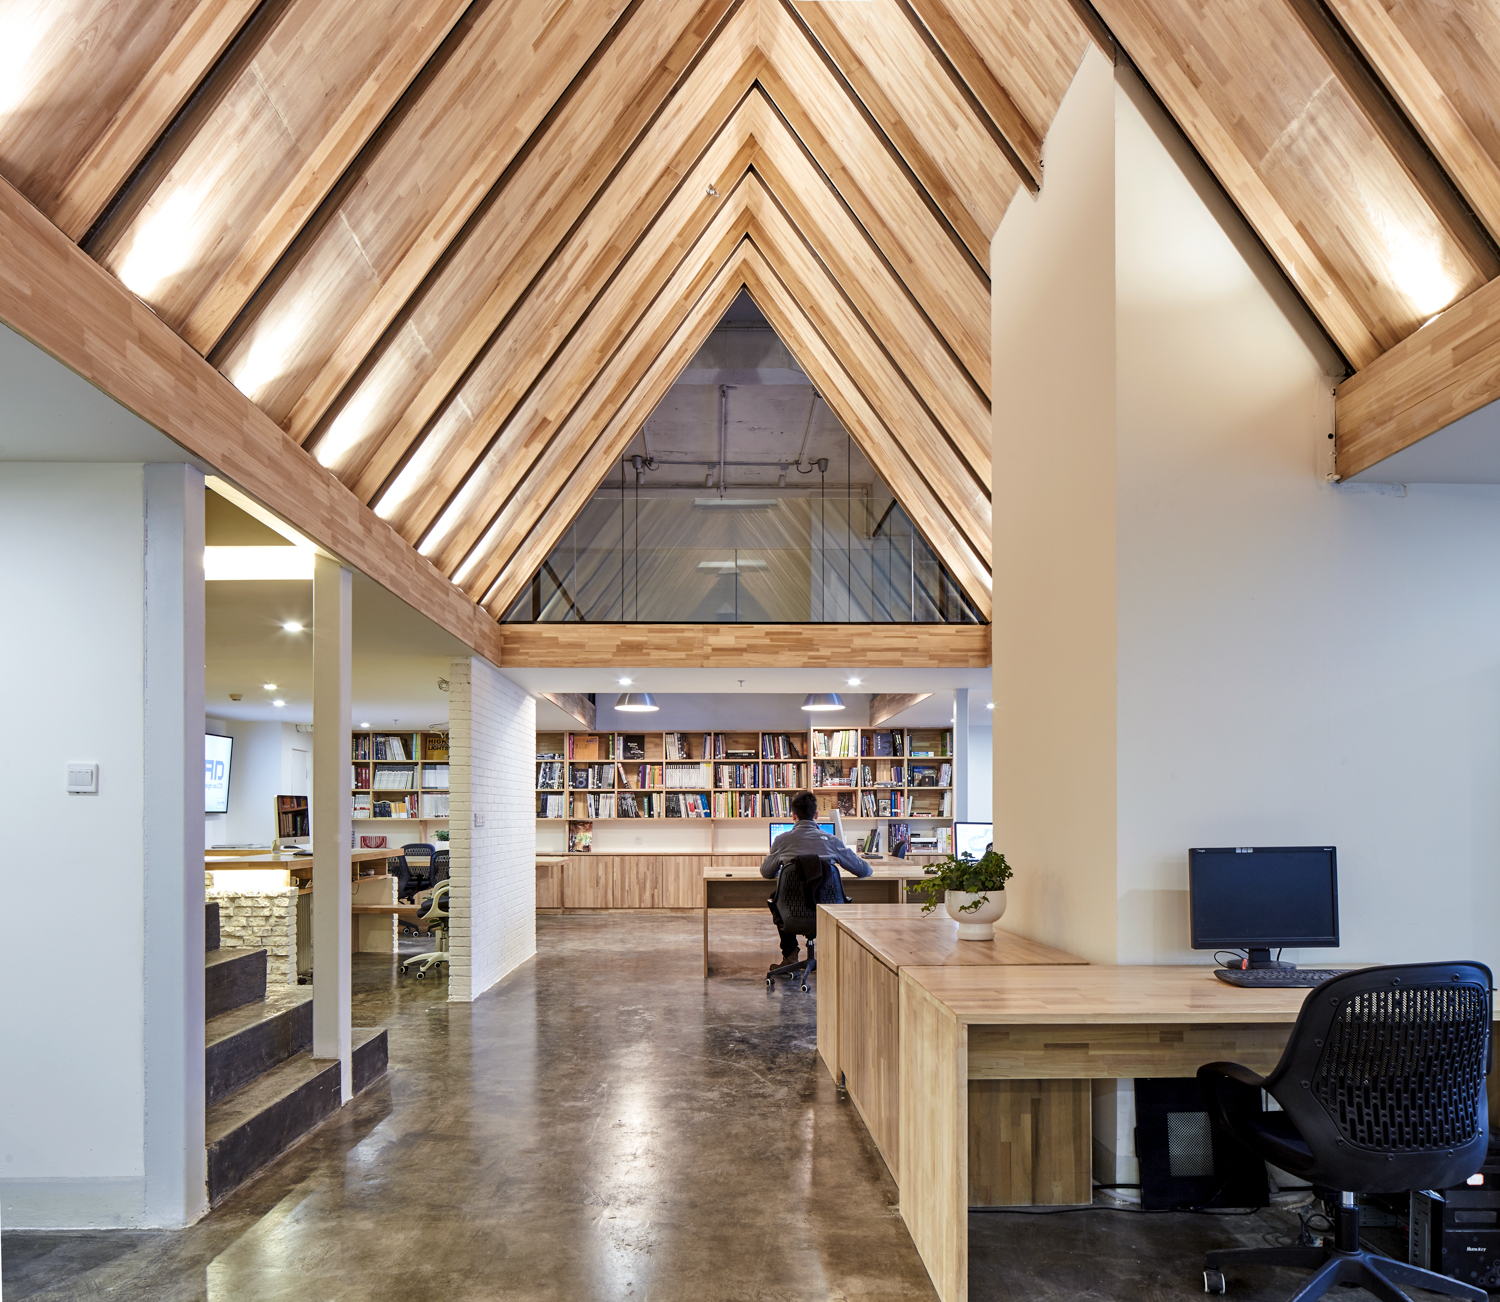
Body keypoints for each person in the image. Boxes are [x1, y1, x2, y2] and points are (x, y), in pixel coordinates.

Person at [760, 791, 870, 970]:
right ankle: (832, 954)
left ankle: (790, 954)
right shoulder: (832, 841)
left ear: (793, 815)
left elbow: (766, 872)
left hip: (792, 914)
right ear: (816, 815)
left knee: (776, 897)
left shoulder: (782, 841)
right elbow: (864, 870)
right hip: (827, 911)